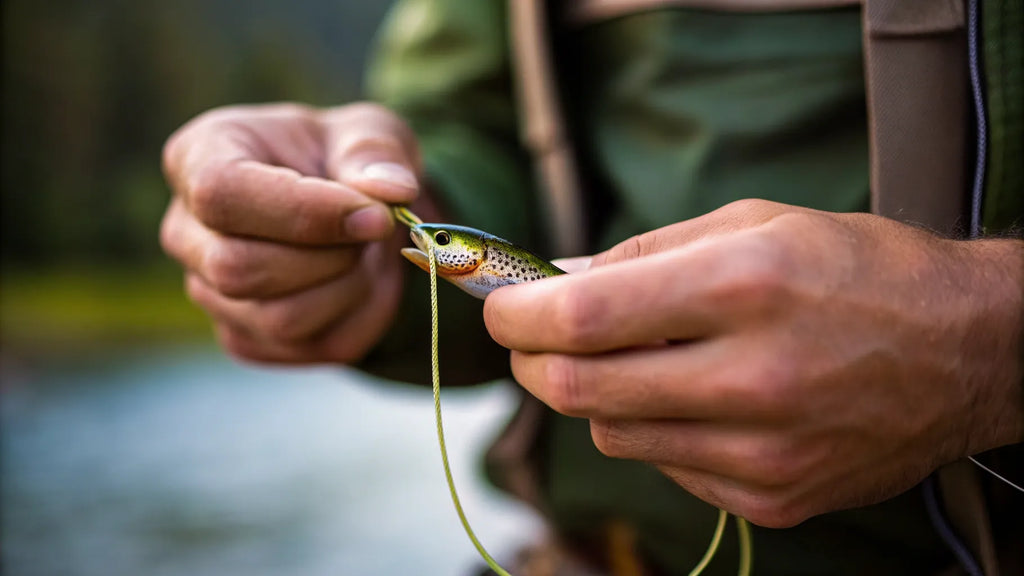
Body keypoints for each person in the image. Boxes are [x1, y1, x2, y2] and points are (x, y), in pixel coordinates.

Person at [160, 1, 1023, 574]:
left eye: (441, 242)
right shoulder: (445, 244)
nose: (435, 244)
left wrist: (993, 338)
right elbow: (476, 132)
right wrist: (362, 263)